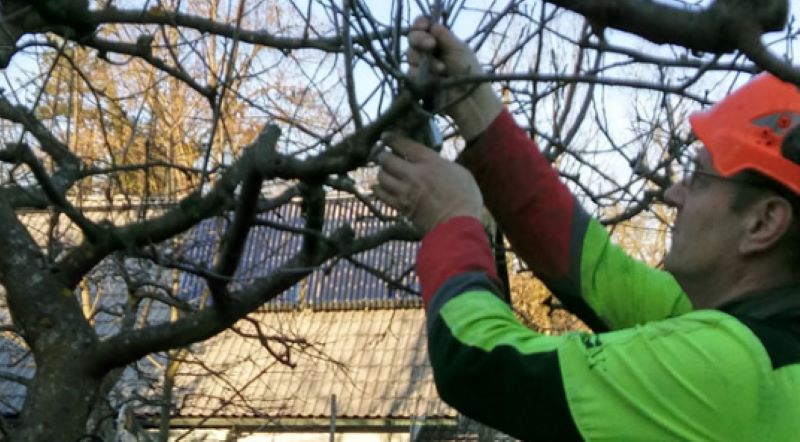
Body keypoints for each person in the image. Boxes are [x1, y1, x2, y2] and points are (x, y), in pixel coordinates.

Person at [372, 17, 800, 441]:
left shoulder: (733, 368)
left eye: (700, 179)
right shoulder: (762, 342)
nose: (674, 194)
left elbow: (483, 365)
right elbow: (593, 270)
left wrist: (451, 220)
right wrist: (476, 109)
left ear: (763, 223)